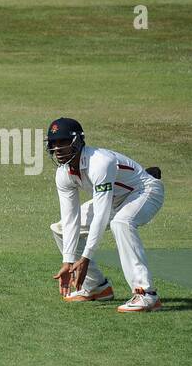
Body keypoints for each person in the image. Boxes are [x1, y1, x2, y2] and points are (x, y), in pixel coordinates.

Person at [47, 117, 165, 312]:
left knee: (122, 222)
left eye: (63, 142)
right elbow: (71, 219)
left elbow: (101, 216)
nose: (57, 149)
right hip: (114, 198)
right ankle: (96, 287)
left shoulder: (100, 162)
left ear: (77, 142)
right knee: (60, 229)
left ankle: (146, 294)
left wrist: (85, 258)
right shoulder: (63, 173)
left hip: (145, 191)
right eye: (54, 144)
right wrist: (67, 261)